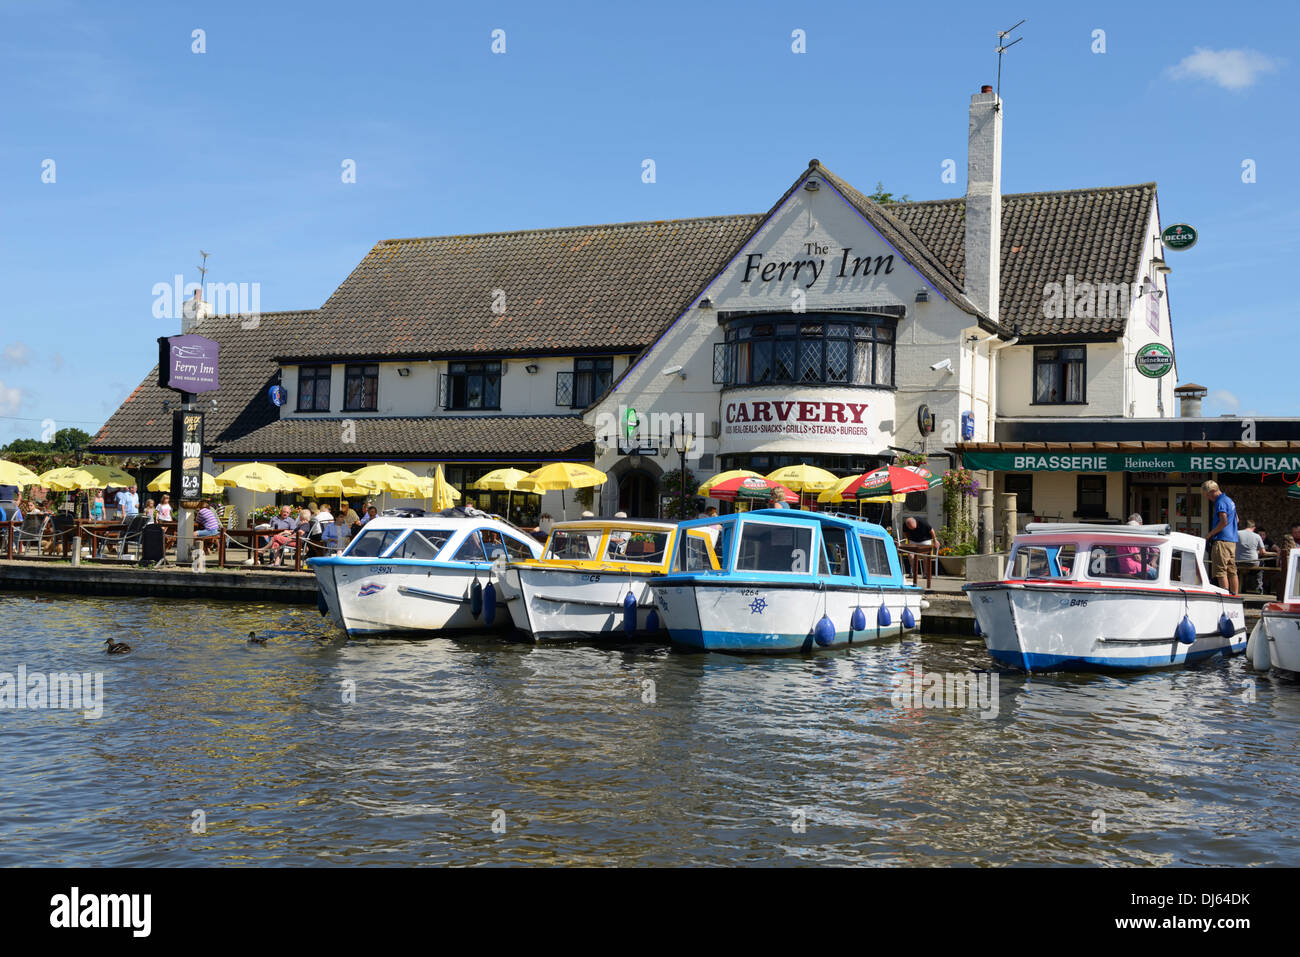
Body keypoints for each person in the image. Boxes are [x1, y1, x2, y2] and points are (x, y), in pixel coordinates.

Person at [1202, 481, 1239, 594]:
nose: (1208, 498)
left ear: (1213, 491)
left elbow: (1223, 521)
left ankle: (1225, 596)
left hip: (1221, 541)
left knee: (1220, 571)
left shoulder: (1220, 502)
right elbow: (1237, 520)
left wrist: (1210, 534)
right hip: (1232, 541)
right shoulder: (1229, 500)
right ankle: (1235, 596)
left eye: (1207, 495)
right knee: (1232, 571)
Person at [1236, 519, 1265, 593]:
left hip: (1239, 561)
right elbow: (1263, 552)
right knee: (1262, 565)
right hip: (1253, 562)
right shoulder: (1257, 536)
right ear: (1254, 528)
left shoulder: (1237, 533)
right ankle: (1259, 587)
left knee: (1239, 571)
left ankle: (1240, 588)